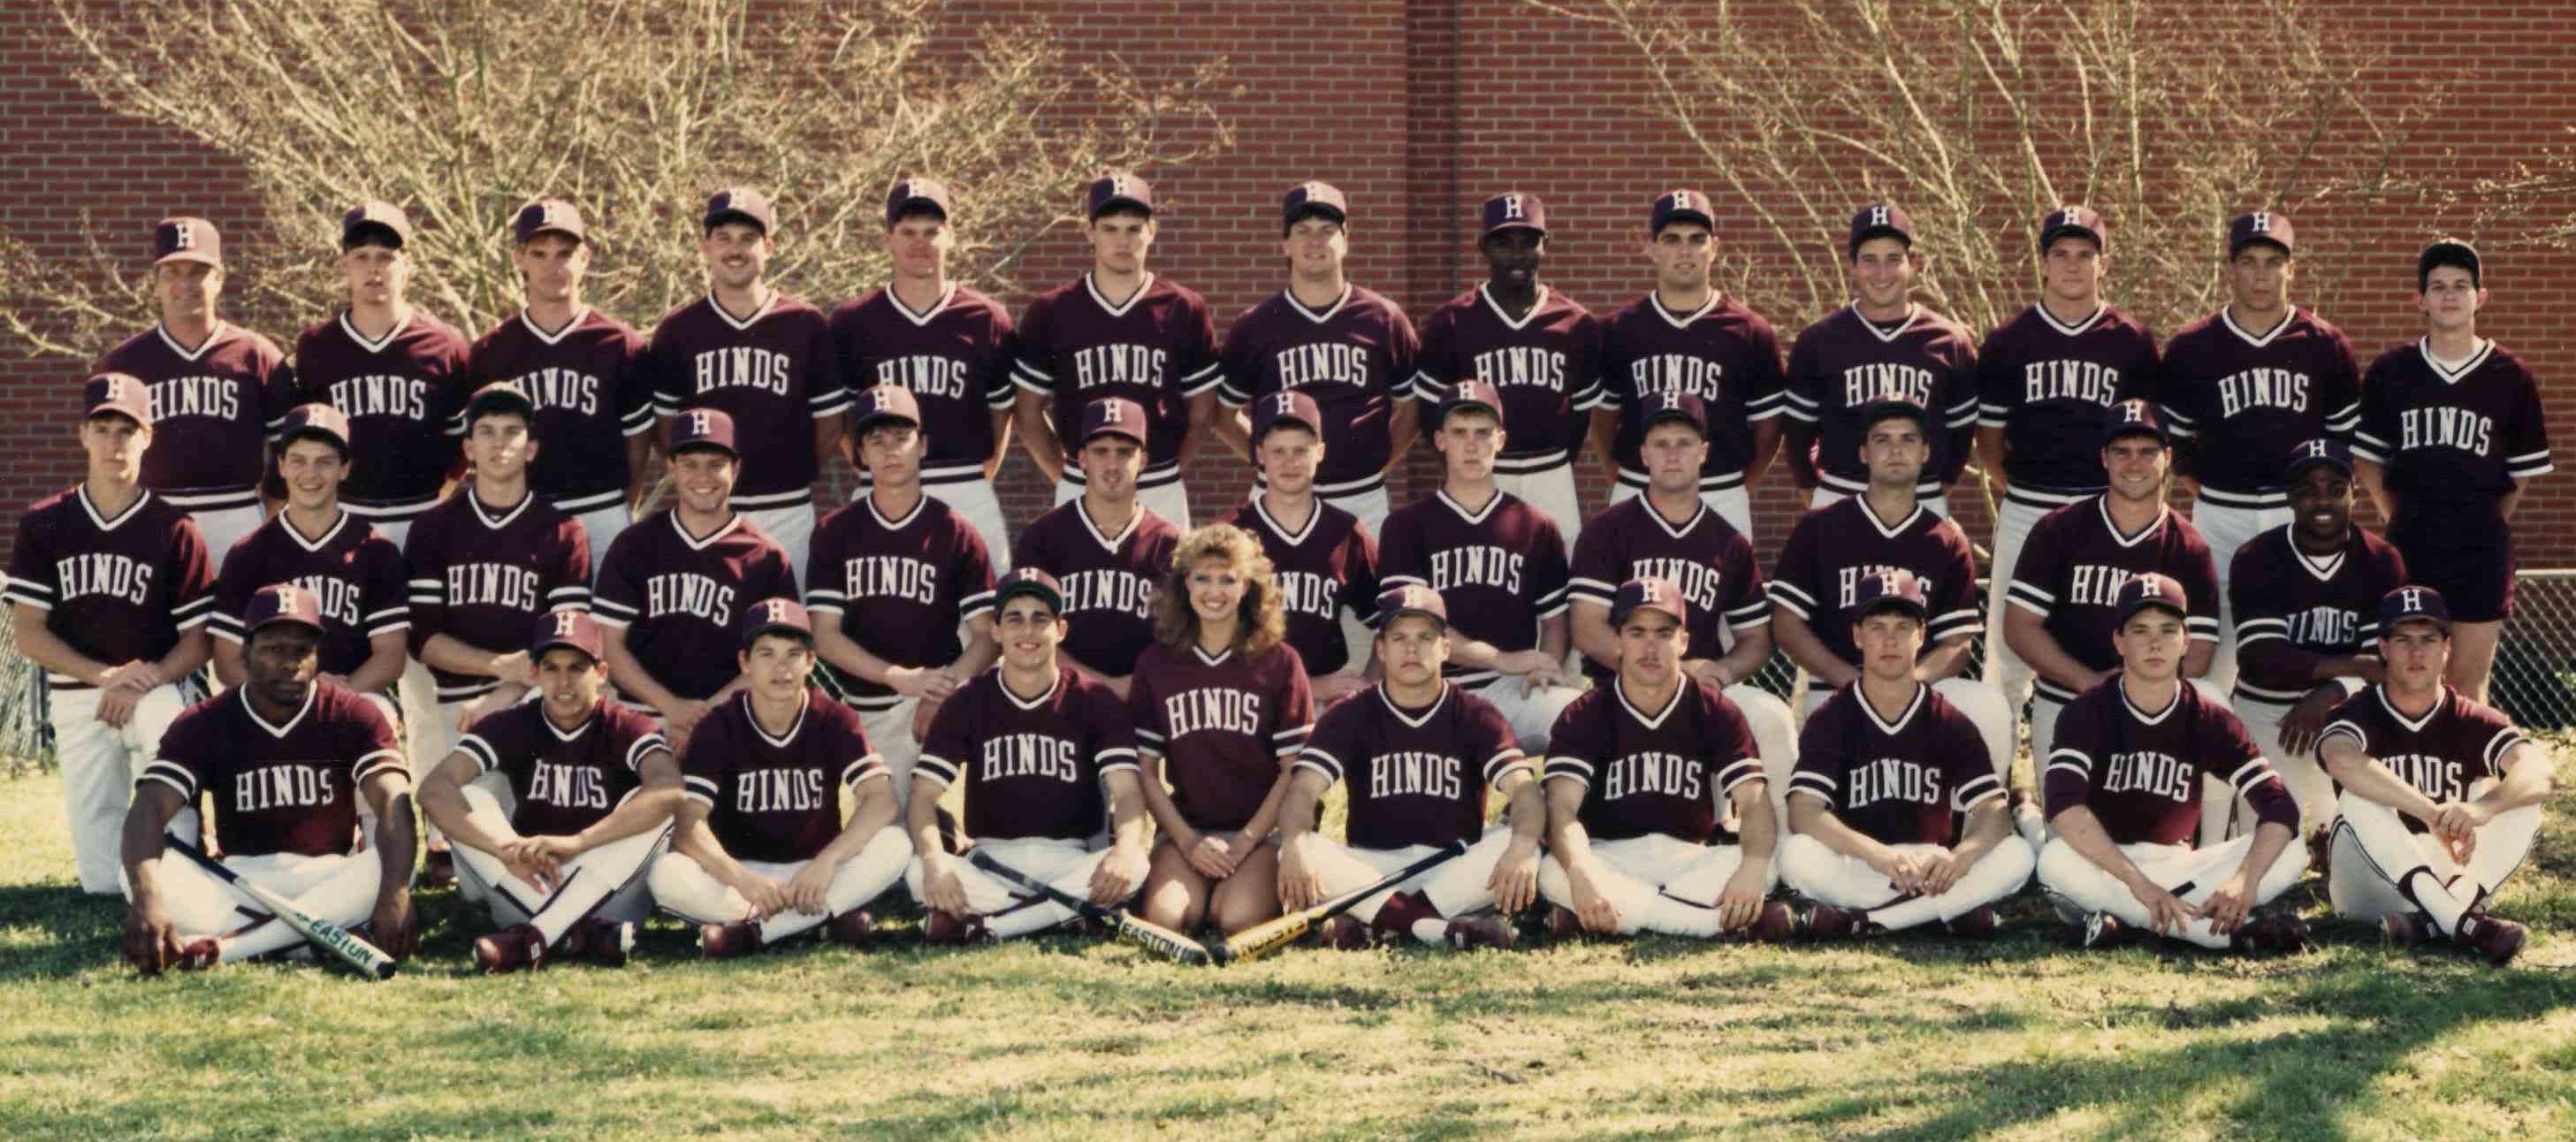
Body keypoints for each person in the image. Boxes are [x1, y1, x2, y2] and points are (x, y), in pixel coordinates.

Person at [118, 584, 416, 971]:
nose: (289, 663)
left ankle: (227, 949)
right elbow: (150, 806)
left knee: (387, 867)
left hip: (328, 877)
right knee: (135, 873)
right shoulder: (206, 721)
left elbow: (393, 800)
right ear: (246, 652)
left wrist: (396, 894)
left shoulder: (352, 713)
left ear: (317, 656)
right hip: (238, 880)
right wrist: (148, 899)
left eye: (302, 651)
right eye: (274, 649)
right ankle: (312, 942)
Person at [8, 375, 215, 894]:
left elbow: (198, 639)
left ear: (147, 438)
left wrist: (143, 681)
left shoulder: (174, 527)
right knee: (100, 883)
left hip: (155, 688)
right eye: (102, 428)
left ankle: (184, 863)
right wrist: (105, 677)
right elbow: (29, 635)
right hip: (81, 691)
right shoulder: (44, 523)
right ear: (82, 435)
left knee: (170, 735)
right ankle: (122, 876)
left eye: (127, 429)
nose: (113, 442)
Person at [2033, 573, 2310, 954]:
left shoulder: (2209, 717)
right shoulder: (2086, 711)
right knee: (2055, 860)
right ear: (2119, 641)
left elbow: (2279, 806)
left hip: (2182, 866)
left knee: (2293, 846)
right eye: (2140, 630)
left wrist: (2244, 880)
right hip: (2107, 864)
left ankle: (2136, 926)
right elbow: (2064, 808)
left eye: (2168, 629)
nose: (2155, 642)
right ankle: (2231, 934)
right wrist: (2140, 885)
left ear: (2186, 641)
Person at [1974, 206, 2160, 746]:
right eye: (2061, 254)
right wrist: (2020, 490)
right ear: (2044, 263)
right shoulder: (2010, 340)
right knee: (2007, 655)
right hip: (2029, 505)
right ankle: (2001, 778)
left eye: (2085, 254)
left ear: (2103, 264)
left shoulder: (2131, 341)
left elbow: (2148, 443)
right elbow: (1989, 439)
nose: (2073, 265)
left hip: (2105, 512)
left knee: (2112, 637)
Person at [2156, 211, 2361, 693]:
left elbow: (2342, 447)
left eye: (2273, 262)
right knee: (2214, 649)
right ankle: (2210, 760)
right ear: (2231, 269)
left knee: (2306, 643)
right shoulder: (2193, 346)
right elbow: (2176, 445)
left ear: (2293, 269)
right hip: (2222, 514)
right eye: (2249, 262)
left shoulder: (2326, 346)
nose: (2261, 275)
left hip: (2301, 519)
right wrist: (2209, 491)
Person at [1567, 392, 1795, 818]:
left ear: (1704, 453)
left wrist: (1724, 672)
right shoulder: (1606, 531)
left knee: (1773, 719)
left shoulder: (1728, 542)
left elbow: (1755, 639)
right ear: (1643, 454)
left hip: (1701, 694)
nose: (1673, 454)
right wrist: (1670, 669)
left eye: (1685, 443)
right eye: (1661, 443)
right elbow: (1586, 629)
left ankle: (1782, 852)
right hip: (1619, 692)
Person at [401, 382, 593, 882]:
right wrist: (494, 667)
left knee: (543, 840)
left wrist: (503, 693)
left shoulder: (562, 530)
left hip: (538, 704)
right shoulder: (432, 529)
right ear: (467, 448)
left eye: (512, 432)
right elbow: (422, 639)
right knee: (477, 878)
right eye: (485, 432)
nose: (498, 443)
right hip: (456, 707)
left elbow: (567, 640)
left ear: (531, 447)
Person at [1273, 585, 1535, 949]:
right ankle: (1440, 928)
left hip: (1452, 866)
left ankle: (1381, 922)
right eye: (1398, 638)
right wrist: (1297, 842)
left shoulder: (1476, 714)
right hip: (1372, 867)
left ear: (1445, 648)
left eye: (1425, 637)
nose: (1411, 649)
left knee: (1519, 840)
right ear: (1380, 649)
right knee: (1296, 848)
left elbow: (1524, 790)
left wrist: (1521, 844)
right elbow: (1302, 790)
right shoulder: (1351, 713)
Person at [647, 598, 912, 957]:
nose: (781, 668)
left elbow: (881, 800)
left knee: (895, 843)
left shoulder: (834, 717)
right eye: (766, 654)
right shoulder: (719, 724)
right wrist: (742, 880)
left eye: (793, 654)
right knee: (666, 872)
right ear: (745, 663)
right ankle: (819, 923)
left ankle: (752, 933)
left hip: (812, 874)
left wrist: (827, 862)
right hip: (741, 877)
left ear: (811, 662)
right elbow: (688, 823)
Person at [417, 611, 679, 972]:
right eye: (551, 668)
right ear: (535, 674)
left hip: (609, 888)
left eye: (576, 667)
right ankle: (580, 935)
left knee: (654, 804)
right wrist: (503, 850)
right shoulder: (513, 723)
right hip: (528, 881)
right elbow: (434, 788)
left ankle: (538, 934)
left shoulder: (625, 725)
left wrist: (581, 842)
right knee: (471, 800)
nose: (563, 682)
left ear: (601, 674)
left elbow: (670, 789)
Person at [1779, 571, 2034, 938]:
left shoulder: (1947, 719)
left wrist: (1961, 858)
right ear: (1857, 636)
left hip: (1931, 864)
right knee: (1796, 855)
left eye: (1902, 627)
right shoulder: (1832, 717)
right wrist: (1878, 856)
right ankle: (1943, 914)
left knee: (2017, 856)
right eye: (1877, 627)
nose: (1890, 640)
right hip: (1862, 863)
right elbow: (1803, 811)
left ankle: (1866, 921)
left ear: (1921, 636)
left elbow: (1993, 812)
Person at [2352, 240, 2553, 703]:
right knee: (2408, 680)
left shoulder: (2510, 376)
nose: (2449, 296)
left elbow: (2520, 474)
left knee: (2466, 686)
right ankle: (2411, 776)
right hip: (2412, 539)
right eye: (2438, 287)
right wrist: (2394, 516)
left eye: (2461, 286)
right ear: (2419, 299)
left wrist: (2487, 520)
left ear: (2480, 297)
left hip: (2479, 546)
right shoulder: (2392, 371)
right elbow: (2367, 457)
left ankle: (2472, 779)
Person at [905, 569, 1154, 945]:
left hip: (1070, 858)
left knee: (1135, 864)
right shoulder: (967, 701)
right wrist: (937, 863)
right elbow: (923, 796)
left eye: (1041, 619)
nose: (1027, 631)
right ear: (996, 630)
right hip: (992, 860)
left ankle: (990, 925)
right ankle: (1066, 915)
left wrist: (1122, 850)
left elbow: (1129, 794)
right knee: (916, 869)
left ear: (1061, 630)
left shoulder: (1093, 699)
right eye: (1014, 618)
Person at [1538, 577, 1790, 941]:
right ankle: (1710, 925)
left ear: (1684, 641)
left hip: (1689, 859)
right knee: (1554, 872)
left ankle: (1611, 917)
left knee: (1768, 863)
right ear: (1619, 639)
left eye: (1664, 633)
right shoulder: (1586, 713)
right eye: (1637, 632)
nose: (1650, 647)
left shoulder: (1715, 709)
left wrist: (1751, 867)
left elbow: (1753, 803)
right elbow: (1562, 811)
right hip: (1610, 855)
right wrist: (1581, 873)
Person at [1768, 399, 2008, 781]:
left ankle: (1975, 826)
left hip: (1917, 696)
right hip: (1831, 689)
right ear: (1864, 453)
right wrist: (1852, 681)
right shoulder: (1820, 527)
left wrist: (1909, 686)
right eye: (1882, 440)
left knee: (1985, 706)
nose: (1896, 450)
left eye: (1908, 440)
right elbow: (1786, 623)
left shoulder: (1945, 540)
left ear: (1925, 452)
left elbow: (1957, 643)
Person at [2319, 586, 2551, 965]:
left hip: (2451, 875)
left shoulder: (2471, 717)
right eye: (2403, 640)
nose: (2416, 652)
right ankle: (2461, 922)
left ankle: (2435, 922)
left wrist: (2482, 810)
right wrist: (2431, 812)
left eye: (2428, 639)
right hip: (2370, 883)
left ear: (2447, 647)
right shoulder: (2358, 711)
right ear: (2382, 647)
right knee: (2357, 796)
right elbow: (2340, 759)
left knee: (2523, 802)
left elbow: (2540, 773)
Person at [807, 384, 999, 807]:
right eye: (876, 440)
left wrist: (939, 691)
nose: (890, 450)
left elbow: (987, 638)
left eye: (902, 438)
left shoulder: (955, 532)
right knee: (883, 835)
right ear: (860, 454)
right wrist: (898, 677)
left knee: (928, 831)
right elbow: (823, 636)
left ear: (923, 445)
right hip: (863, 707)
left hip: (930, 707)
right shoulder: (835, 532)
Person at [2005, 401, 2218, 775]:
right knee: (2067, 832)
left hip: (2152, 712)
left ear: (2167, 458)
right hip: (2065, 701)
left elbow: (2198, 652)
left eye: (2147, 452)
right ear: (2104, 458)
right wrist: (2088, 683)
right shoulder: (2059, 530)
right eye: (2122, 452)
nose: (2134, 464)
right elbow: (2019, 627)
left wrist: (2139, 696)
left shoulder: (2189, 546)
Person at [645, 187, 845, 580]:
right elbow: (665, 429)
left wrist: (789, 468)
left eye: (748, 239)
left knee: (789, 630)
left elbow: (831, 425)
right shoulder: (678, 330)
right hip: (706, 511)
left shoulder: (805, 325)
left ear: (768, 248)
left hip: (786, 509)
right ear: (706, 248)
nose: (735, 249)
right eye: (724, 238)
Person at [1129, 524, 1315, 936]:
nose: (1214, 591)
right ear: (1185, 584)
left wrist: (1248, 841)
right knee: (1166, 920)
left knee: (1237, 919)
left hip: (1259, 834)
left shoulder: (1280, 661)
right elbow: (1146, 771)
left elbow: (1293, 771)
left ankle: (1239, 886)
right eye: (1203, 578)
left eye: (1228, 579)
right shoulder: (1157, 663)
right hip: (1187, 830)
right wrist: (1189, 841)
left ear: (1247, 586)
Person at [1377, 381, 1579, 750]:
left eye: (1483, 433)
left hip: (1511, 688)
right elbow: (1412, 625)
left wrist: (1543, 665)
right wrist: (1502, 659)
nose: (1471, 444)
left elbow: (1554, 621)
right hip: (1431, 685)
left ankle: (1533, 808)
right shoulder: (1406, 526)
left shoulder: (1536, 526)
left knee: (1574, 718)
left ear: (1500, 440)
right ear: (1440, 440)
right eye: (1459, 433)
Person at [1011, 171, 1221, 527]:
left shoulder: (1183, 308)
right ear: (1090, 232)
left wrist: (1169, 467)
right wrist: (1064, 472)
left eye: (1133, 229)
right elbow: (1028, 412)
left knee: (1168, 583)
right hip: (1081, 484)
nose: (1122, 241)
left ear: (1151, 231)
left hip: (1158, 485)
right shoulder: (1052, 310)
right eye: (1110, 229)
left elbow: (1203, 411)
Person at [830, 179, 1020, 570]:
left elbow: (1002, 413)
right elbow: (841, 419)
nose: (920, 242)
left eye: (932, 232)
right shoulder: (854, 322)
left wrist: (977, 475)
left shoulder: (986, 318)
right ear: (888, 239)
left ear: (950, 237)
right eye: (908, 232)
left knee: (985, 619)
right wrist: (868, 464)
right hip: (881, 487)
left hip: (964, 484)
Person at [1211, 181, 1420, 537]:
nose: (1315, 241)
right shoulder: (1255, 325)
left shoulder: (1384, 318)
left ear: (1345, 239)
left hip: (1361, 498)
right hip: (1276, 498)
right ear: (1285, 244)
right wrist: (1267, 457)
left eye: (1327, 231)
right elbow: (1222, 414)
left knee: (1365, 593)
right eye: (1303, 231)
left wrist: (1376, 459)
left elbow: (1413, 409)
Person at [465, 199, 653, 577]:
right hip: (524, 514)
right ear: (520, 259)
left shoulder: (620, 345)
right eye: (540, 253)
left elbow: (638, 446)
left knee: (608, 630)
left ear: (584, 258)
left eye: (564, 253)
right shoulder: (492, 351)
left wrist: (619, 507)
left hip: (601, 512)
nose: (553, 266)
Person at [94, 216, 293, 566]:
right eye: (172, 272)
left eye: (198, 272)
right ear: (154, 283)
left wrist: (271, 509)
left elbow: (289, 445)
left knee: (241, 619)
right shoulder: (124, 363)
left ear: (218, 280)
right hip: (153, 516)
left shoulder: (258, 356)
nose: (184, 284)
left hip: (237, 517)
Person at [593, 407, 797, 750]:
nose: (702, 476)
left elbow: (776, 656)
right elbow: (608, 645)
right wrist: (673, 710)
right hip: (643, 716)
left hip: (733, 717)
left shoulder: (766, 557)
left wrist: (701, 718)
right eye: (689, 464)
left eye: (715, 464)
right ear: (671, 468)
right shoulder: (634, 545)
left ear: (736, 468)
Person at [2226, 440, 2405, 831]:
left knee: (2360, 843)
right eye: (2308, 490)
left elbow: (2387, 663)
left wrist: (2329, 694)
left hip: (2347, 709)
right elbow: (2263, 658)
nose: (2322, 501)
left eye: (2336, 488)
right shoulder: (2257, 557)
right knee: (2271, 853)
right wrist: (2351, 667)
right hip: (2268, 710)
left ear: (2354, 493)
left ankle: (2332, 830)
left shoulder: (2381, 560)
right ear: (2289, 497)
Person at [1591, 189, 1787, 540]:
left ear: (1715, 247)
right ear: (1650, 247)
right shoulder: (1617, 330)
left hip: (1721, 491)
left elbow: (1770, 430)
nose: (1685, 250)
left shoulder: (1750, 332)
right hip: (1637, 488)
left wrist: (1739, 487)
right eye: (1671, 239)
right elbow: (1603, 421)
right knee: (1636, 595)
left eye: (1697, 239)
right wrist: (1619, 476)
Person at [1410, 192, 1603, 544]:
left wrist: (1556, 462)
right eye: (1503, 242)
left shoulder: (1576, 324)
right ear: (1482, 246)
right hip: (1481, 473)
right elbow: (1428, 415)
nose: (1517, 253)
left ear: (1545, 244)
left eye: (1528, 242)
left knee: (1559, 583)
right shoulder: (1451, 322)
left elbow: (1583, 415)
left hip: (1551, 474)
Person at [287, 201, 474, 544]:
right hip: (343, 521)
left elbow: (461, 445)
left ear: (408, 264)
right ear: (344, 265)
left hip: (424, 519)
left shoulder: (445, 344)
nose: (373, 268)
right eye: (362, 257)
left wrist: (439, 500)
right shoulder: (317, 346)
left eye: (386, 257)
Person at [209, 403, 409, 715]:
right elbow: (226, 660)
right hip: (268, 705)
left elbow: (391, 655)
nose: (310, 474)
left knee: (377, 711)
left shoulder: (375, 550)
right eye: (299, 461)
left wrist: (338, 696)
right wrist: (286, 701)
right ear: (281, 466)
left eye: (325, 462)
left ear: (344, 468)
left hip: (348, 701)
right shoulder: (249, 553)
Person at [1782, 203, 1978, 515]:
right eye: (1869, 260)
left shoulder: (1949, 341)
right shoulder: (1819, 340)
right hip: (1840, 494)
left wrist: (1944, 482)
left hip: (1921, 496)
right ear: (1853, 265)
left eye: (1893, 260)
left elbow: (1963, 430)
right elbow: (1796, 430)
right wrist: (1809, 487)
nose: (1882, 273)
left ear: (1912, 263)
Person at [1010, 396, 1183, 697]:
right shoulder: (1042, 538)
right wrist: (1101, 686)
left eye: (1125, 452)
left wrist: (1134, 686)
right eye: (1100, 452)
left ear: (1143, 460)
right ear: (1082, 459)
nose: (1112, 465)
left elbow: (1180, 640)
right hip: (1062, 698)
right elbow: (1030, 634)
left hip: (1142, 699)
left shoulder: (1169, 543)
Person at [1220, 391, 1379, 706]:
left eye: (1300, 450)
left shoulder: (1345, 532)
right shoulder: (1230, 533)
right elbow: (1207, 641)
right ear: (1259, 453)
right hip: (1247, 700)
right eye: (1278, 451)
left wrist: (1368, 685)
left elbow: (1393, 620)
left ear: (1320, 452)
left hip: (1323, 709)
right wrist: (1313, 686)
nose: (1290, 462)